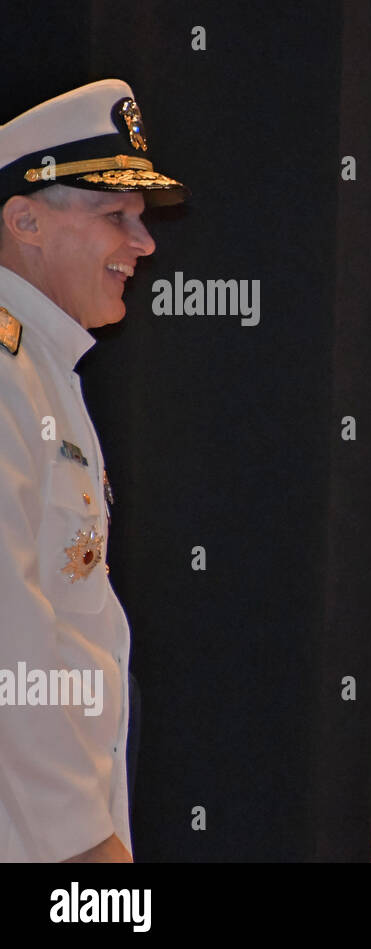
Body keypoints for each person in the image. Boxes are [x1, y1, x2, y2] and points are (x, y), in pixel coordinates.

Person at [0, 79, 187, 862]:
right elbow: (10, 628)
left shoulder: (41, 364)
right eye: (117, 216)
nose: (143, 244)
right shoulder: (8, 371)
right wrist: (81, 843)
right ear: (25, 218)